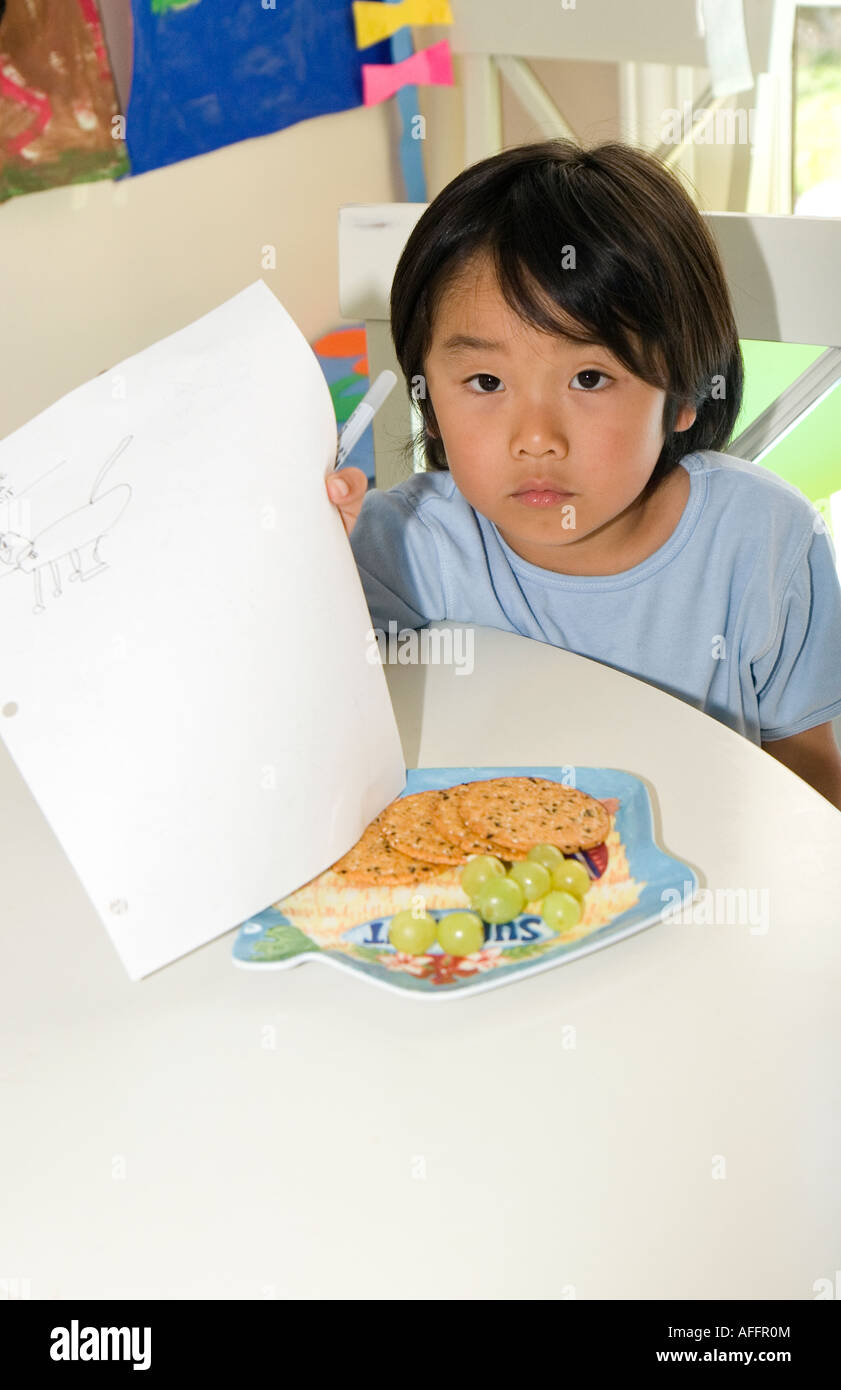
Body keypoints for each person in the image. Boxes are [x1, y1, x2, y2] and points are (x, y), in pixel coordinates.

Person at [326, 140, 841, 810]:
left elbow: (807, 785)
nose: (535, 438)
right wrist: (308, 567)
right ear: (428, 396)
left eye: (589, 378)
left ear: (684, 393)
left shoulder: (763, 542)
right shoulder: (397, 547)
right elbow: (294, 718)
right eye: (485, 381)